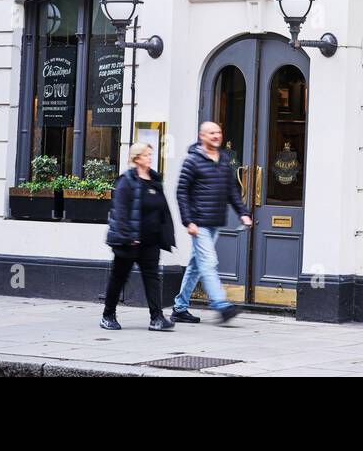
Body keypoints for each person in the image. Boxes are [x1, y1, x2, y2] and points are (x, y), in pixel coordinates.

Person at [170, 121, 252, 325]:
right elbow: (181, 192)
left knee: (196, 265)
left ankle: (180, 307)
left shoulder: (224, 160)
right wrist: (188, 221)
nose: (216, 135)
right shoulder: (192, 161)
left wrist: (243, 212)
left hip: (215, 221)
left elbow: (231, 190)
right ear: (202, 136)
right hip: (199, 223)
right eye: (211, 132)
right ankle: (221, 305)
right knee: (209, 263)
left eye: (219, 132)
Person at [101, 142, 176, 331]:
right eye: (146, 155)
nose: (150, 158)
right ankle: (108, 315)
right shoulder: (126, 181)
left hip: (151, 241)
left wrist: (165, 233)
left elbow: (163, 209)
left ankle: (156, 318)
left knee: (152, 278)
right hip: (130, 242)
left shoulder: (154, 180)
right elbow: (120, 212)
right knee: (119, 277)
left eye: (151, 154)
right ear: (136, 159)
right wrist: (128, 236)